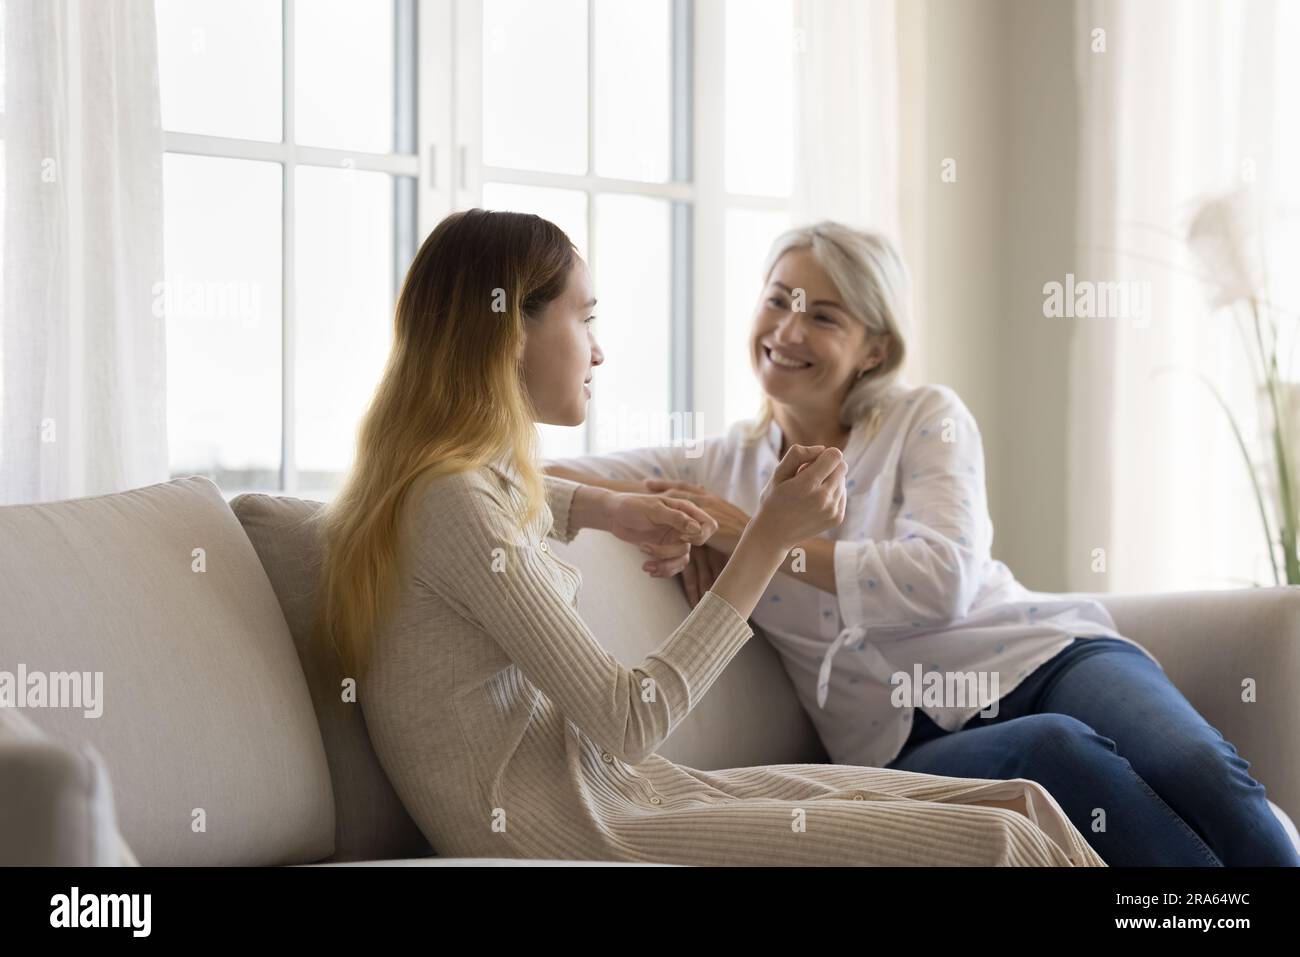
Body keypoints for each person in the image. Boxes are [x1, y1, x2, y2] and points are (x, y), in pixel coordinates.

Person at [310, 208, 1102, 866]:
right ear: (507, 330)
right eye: (584, 319)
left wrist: (603, 508)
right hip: (578, 828)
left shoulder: (442, 484)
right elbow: (628, 719)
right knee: (1000, 840)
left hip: (622, 789)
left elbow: (509, 492)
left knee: (1022, 798)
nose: (599, 348)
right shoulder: (450, 500)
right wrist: (766, 539)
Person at [546, 220, 1299, 867]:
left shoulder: (925, 418)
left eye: (825, 315)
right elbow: (523, 473)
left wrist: (759, 538)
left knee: (1198, 768)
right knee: (1056, 752)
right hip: (896, 743)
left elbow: (942, 578)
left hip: (1038, 656)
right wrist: (617, 506)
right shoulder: (709, 467)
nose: (788, 330)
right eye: (778, 299)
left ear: (874, 348)